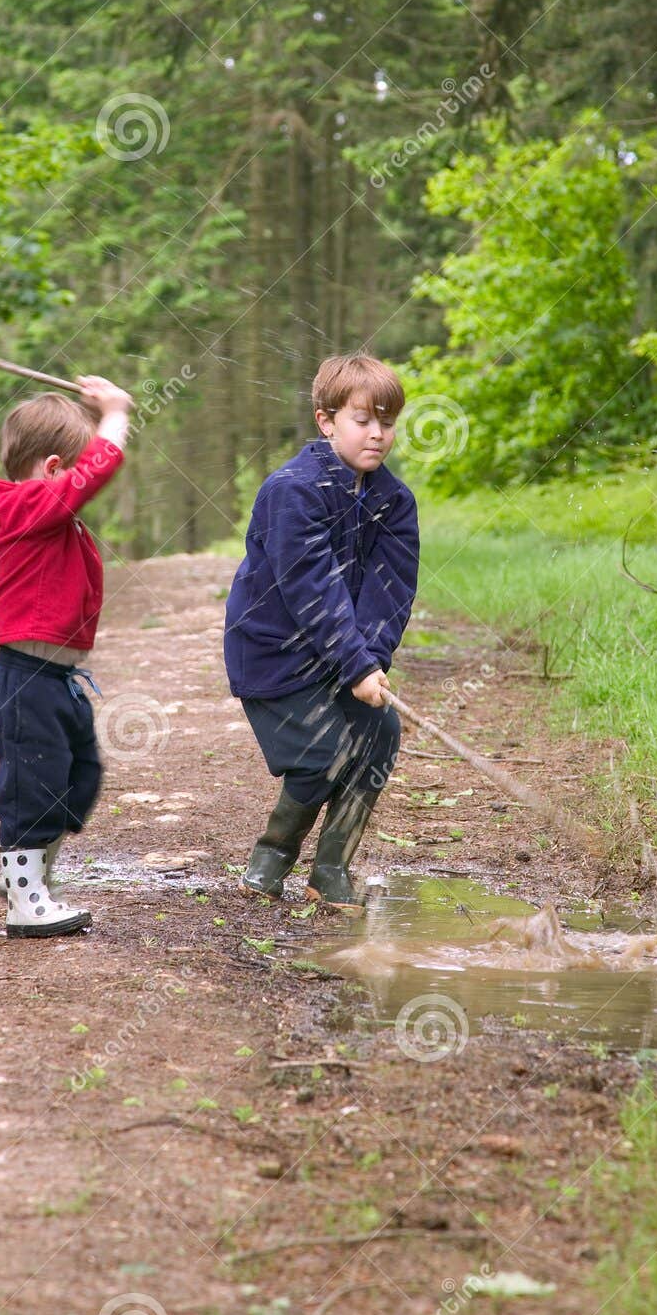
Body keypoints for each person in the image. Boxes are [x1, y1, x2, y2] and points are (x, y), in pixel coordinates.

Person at [224, 354, 420, 908]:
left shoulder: (393, 501)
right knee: (322, 754)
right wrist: (355, 664)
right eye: (364, 420)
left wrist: (371, 659)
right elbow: (312, 588)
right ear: (326, 420)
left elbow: (390, 593)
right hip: (274, 652)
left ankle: (330, 869)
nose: (378, 433)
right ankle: (270, 860)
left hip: (342, 656)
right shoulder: (294, 490)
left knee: (381, 736)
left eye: (388, 421)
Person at [0, 375, 133, 938]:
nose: (80, 487)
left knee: (81, 774)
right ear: (50, 470)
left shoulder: (45, 512)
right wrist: (116, 412)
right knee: (33, 786)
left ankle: (27, 874)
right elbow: (98, 468)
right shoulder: (27, 506)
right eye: (70, 473)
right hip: (26, 679)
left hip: (57, 678)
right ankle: (25, 900)